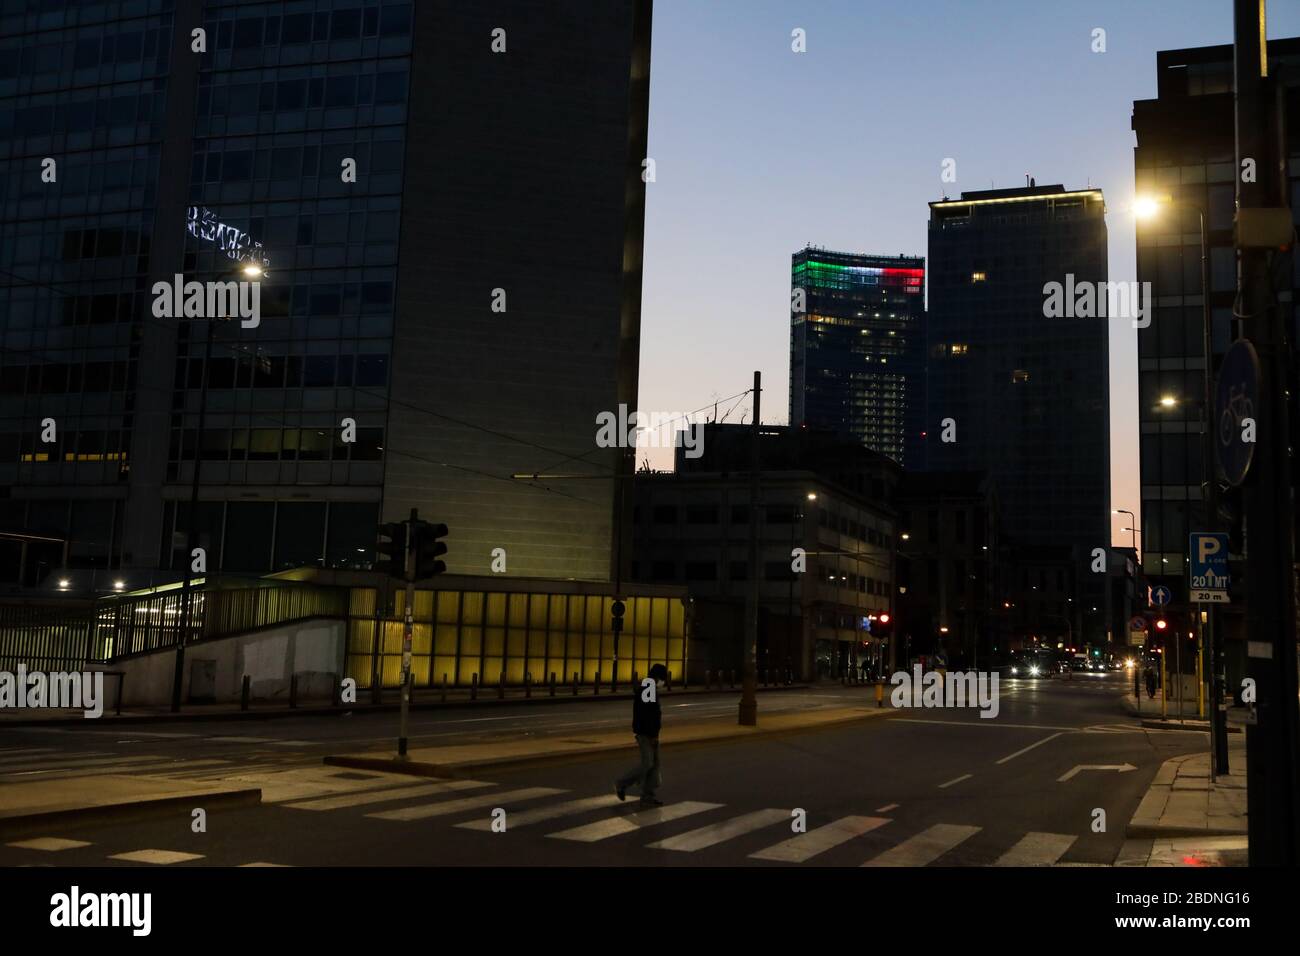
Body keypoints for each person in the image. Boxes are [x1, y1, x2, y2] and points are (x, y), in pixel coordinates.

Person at [615, 663, 667, 807]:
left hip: (647, 732)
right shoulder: (649, 689)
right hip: (646, 733)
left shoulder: (648, 687)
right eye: (662, 678)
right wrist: (653, 735)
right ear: (657, 677)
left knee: (654, 765)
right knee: (648, 763)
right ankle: (622, 783)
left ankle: (647, 795)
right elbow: (650, 715)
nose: (663, 682)